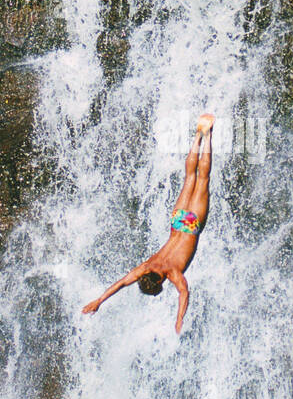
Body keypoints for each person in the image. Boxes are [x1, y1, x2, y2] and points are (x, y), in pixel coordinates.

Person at [81, 113, 214, 334]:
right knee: (189, 177)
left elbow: (184, 294)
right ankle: (198, 137)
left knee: (203, 179)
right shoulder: (146, 266)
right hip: (177, 220)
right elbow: (121, 283)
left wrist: (179, 319)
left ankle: (208, 136)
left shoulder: (173, 273)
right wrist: (99, 300)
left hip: (191, 225)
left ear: (161, 282)